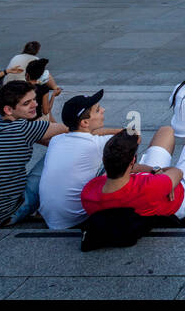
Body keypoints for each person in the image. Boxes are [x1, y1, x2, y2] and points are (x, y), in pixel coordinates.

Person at [0, 81, 68, 228]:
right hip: (5, 216)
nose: (35, 105)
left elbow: (40, 140)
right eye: (26, 103)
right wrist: (110, 135)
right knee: (63, 150)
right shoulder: (23, 128)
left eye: (34, 100)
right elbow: (73, 128)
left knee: (58, 147)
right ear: (9, 110)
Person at [81, 124, 185, 220]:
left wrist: (154, 170)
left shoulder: (89, 192)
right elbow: (177, 172)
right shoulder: (150, 186)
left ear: (104, 160)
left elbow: (116, 174)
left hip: (153, 182)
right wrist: (160, 173)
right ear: (132, 161)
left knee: (165, 131)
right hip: (178, 200)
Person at [38, 91, 126, 229]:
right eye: (97, 110)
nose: (103, 110)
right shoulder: (98, 144)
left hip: (51, 219)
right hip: (77, 219)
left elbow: (87, 133)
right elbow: (134, 138)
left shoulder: (56, 140)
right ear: (85, 122)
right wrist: (119, 130)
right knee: (120, 160)